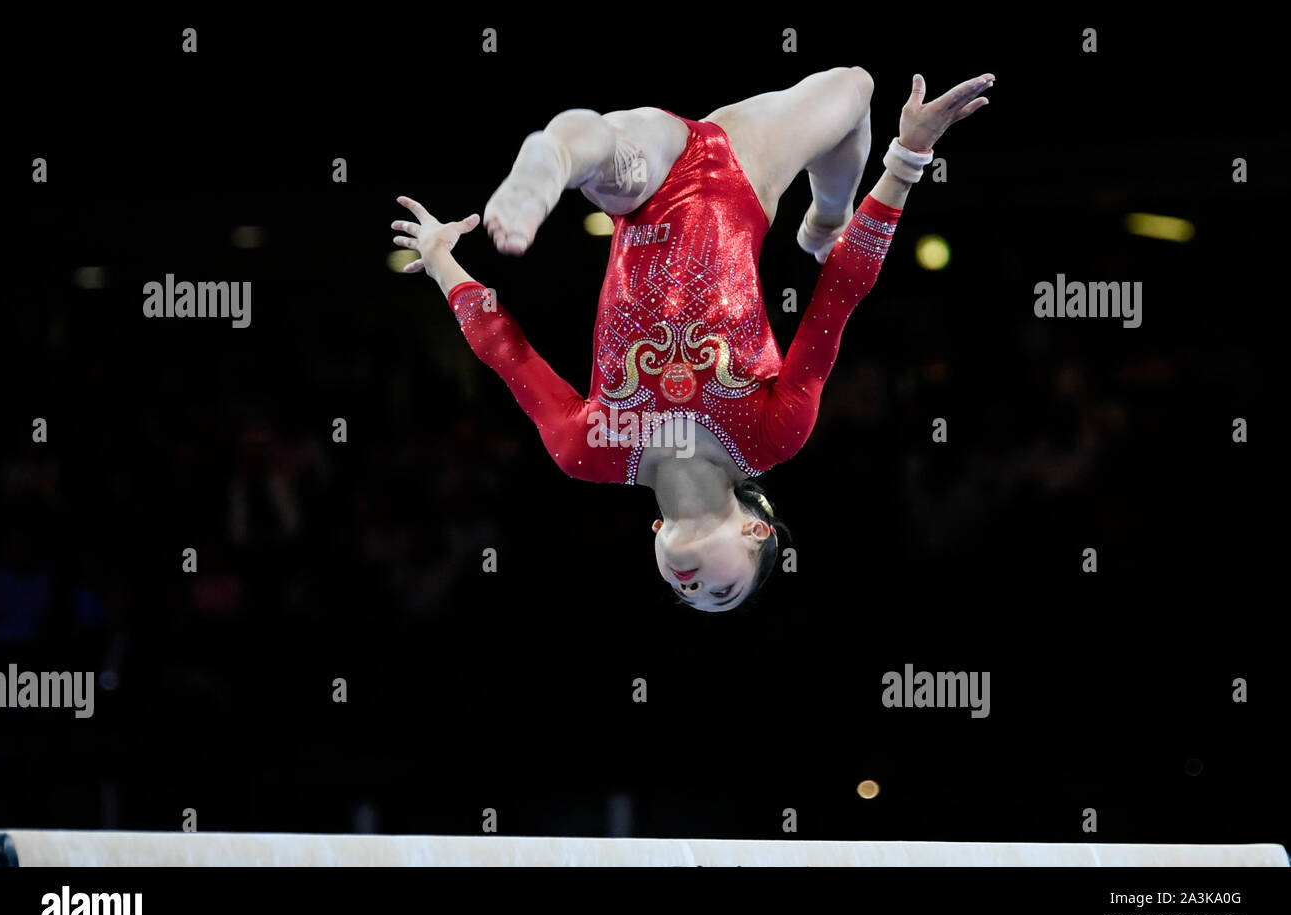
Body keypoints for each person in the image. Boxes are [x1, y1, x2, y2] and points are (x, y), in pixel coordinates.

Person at [392, 70, 993, 611]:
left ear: (656, 541)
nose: (692, 587)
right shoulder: (771, 437)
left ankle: (550, 160)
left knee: (597, 144)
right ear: (757, 532)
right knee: (856, 87)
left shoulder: (593, 452)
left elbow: (507, 353)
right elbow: (836, 301)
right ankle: (826, 218)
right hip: (743, 171)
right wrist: (909, 154)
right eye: (721, 591)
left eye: (686, 597)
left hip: (642, 191)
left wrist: (444, 261)